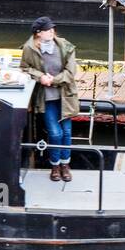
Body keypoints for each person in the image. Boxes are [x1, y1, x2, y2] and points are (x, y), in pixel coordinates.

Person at [20, 16, 80, 183]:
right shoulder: (29, 48)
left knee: (67, 132)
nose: (52, 31)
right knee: (55, 132)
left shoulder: (64, 46)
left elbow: (70, 71)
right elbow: (25, 68)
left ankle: (65, 165)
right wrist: (40, 77)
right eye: (48, 29)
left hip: (65, 95)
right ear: (38, 33)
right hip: (45, 97)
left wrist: (53, 80)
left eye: (52, 28)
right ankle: (55, 165)